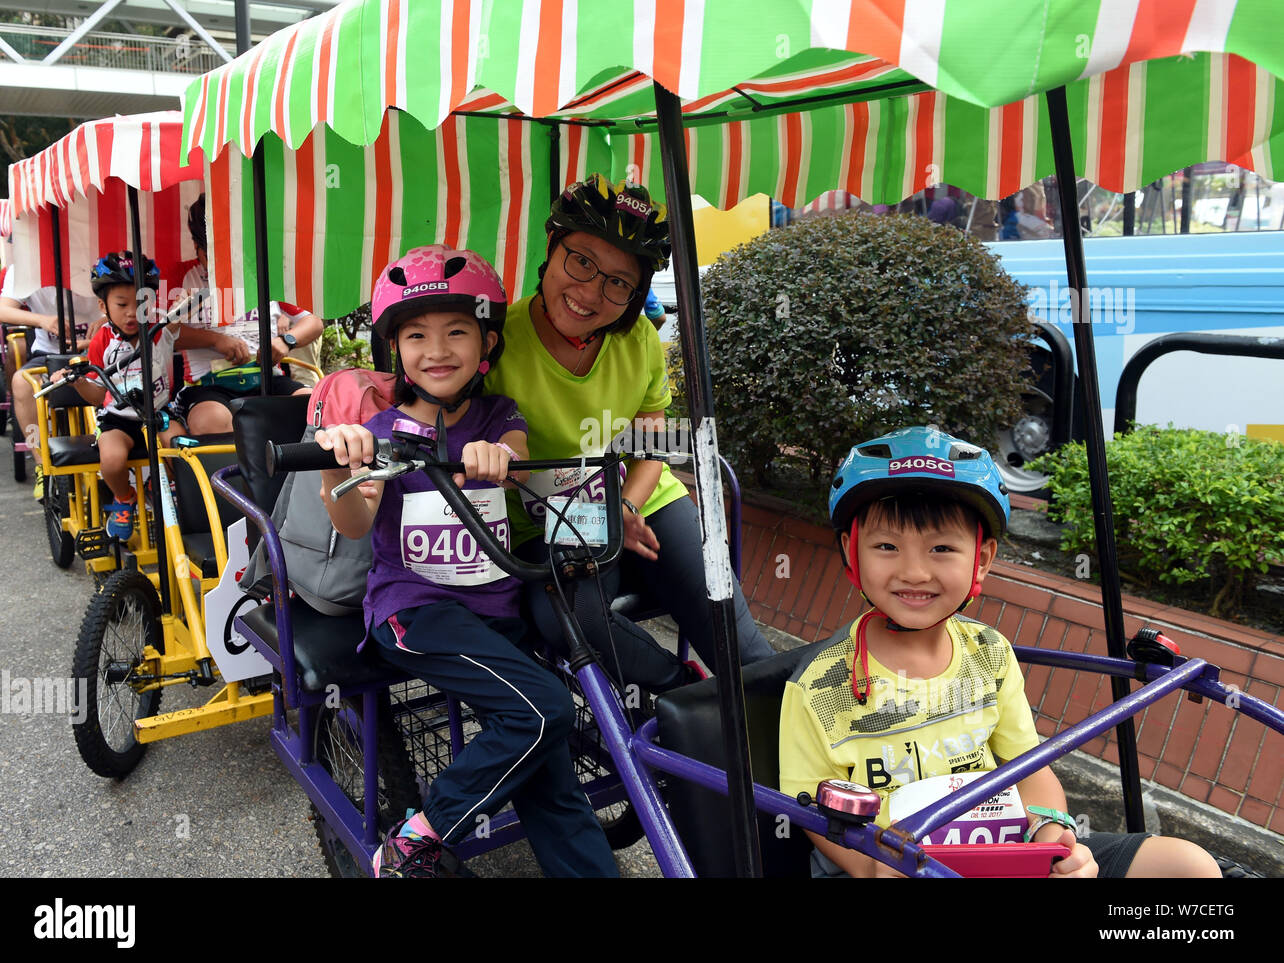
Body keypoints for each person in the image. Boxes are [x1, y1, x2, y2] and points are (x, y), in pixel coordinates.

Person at [779, 426, 1222, 879]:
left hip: (1004, 853)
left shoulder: (989, 654)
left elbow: (1028, 767)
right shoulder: (819, 685)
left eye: (942, 549)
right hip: (885, 865)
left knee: (1187, 865)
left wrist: (1053, 835)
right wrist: (875, 867)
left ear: (983, 559)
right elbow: (812, 810)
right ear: (851, 552)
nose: (913, 571)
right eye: (887, 546)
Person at [315, 244, 618, 879]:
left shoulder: (498, 416)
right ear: (394, 349)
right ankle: (419, 835)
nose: (439, 349)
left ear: (485, 345)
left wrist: (495, 455)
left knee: (550, 765)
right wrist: (342, 475)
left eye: (458, 332)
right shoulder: (384, 431)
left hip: (494, 616)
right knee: (545, 709)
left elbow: (513, 445)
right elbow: (354, 521)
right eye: (418, 334)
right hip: (416, 614)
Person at [485, 173, 774, 694]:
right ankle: (683, 703)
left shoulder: (639, 339)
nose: (591, 292)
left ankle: (784, 740)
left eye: (619, 282)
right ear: (551, 249)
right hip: (542, 524)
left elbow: (653, 448)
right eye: (582, 261)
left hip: (639, 500)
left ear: (636, 293)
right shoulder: (495, 341)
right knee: (574, 627)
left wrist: (625, 508)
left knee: (736, 637)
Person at [53, 252, 184, 541]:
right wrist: (75, 383)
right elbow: (98, 395)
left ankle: (164, 489)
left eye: (141, 303)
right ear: (103, 306)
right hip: (118, 420)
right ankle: (124, 498)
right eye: (122, 305)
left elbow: (188, 309)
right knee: (111, 461)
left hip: (160, 415)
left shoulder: (162, 329)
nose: (132, 313)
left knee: (182, 450)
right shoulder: (102, 341)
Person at [172, 194, 325, 434]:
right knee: (210, 420)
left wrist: (286, 341)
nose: (224, 266)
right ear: (196, 246)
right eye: (213, 257)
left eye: (230, 256)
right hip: (209, 385)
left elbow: (313, 323)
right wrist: (215, 339)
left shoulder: (263, 272)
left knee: (314, 408)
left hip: (266, 378)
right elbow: (159, 334)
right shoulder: (181, 276)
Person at [0, 268, 104, 496]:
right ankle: (42, 463)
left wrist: (106, 319)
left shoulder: (99, 253)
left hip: (101, 349)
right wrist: (42, 320)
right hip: (49, 356)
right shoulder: (26, 263)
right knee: (22, 383)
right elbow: (2, 312)